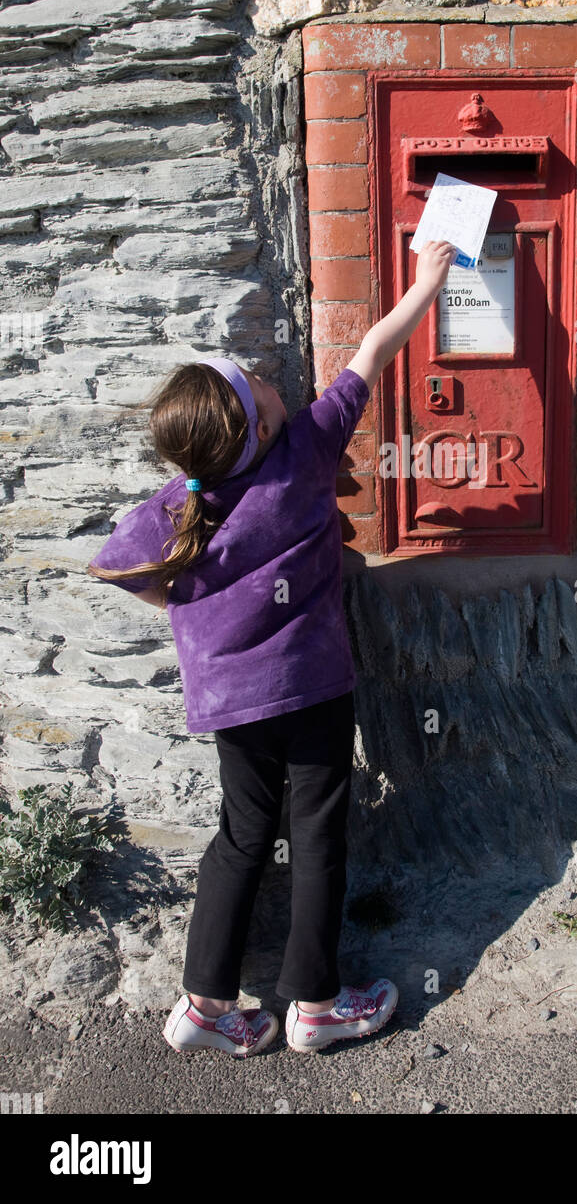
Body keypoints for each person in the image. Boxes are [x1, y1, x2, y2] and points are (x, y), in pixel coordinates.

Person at [88, 238, 458, 1056]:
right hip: (313, 688)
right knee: (320, 831)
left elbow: (114, 565)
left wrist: (182, 601)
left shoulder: (178, 502)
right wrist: (429, 281)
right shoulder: (304, 453)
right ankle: (316, 1007)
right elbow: (372, 352)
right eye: (255, 379)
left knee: (244, 834)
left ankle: (206, 1004)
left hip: (230, 701)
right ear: (257, 422)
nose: (270, 376)